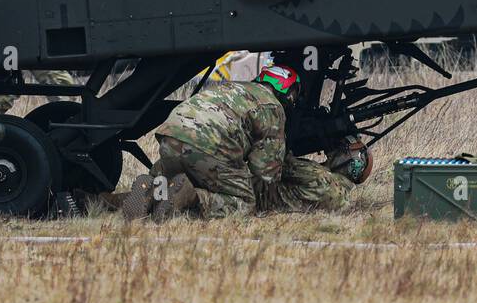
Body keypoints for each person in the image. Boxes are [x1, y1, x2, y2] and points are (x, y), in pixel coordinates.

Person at [120, 64, 371, 220]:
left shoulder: (234, 88)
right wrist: (287, 161)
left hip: (171, 136)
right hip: (209, 146)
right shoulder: (273, 107)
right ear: (289, 92)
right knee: (243, 202)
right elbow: (266, 174)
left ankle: (152, 189)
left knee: (190, 172)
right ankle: (190, 197)